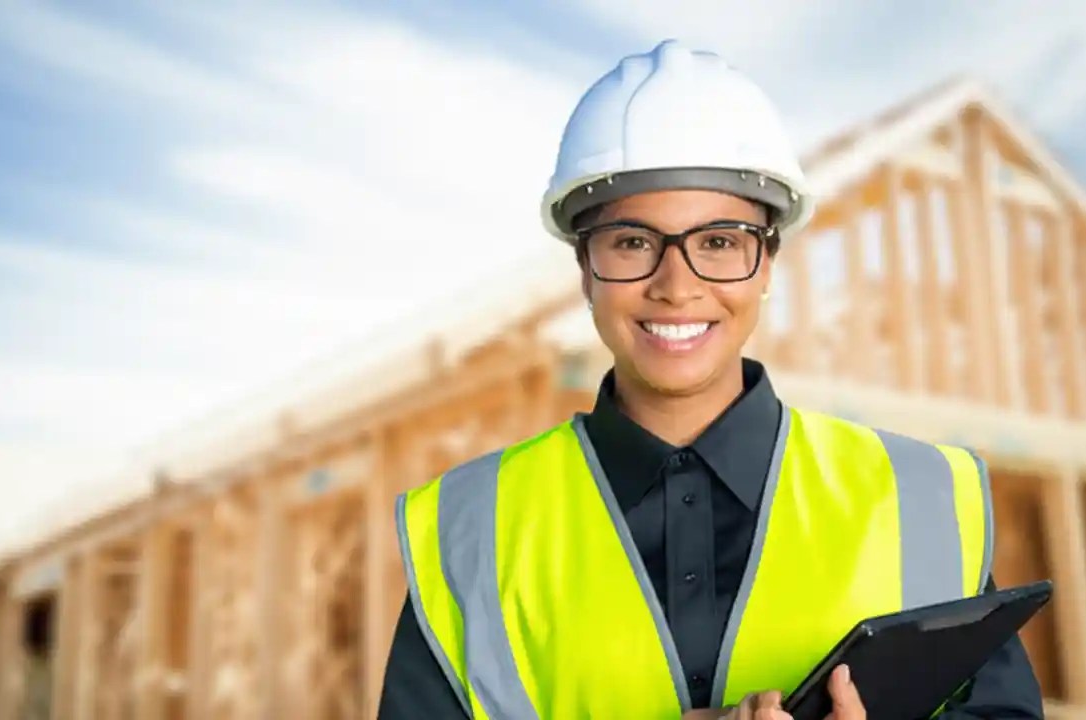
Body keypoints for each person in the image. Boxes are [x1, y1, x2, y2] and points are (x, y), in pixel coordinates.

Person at [377, 39, 1043, 720]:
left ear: (767, 264)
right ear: (584, 267)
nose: (676, 286)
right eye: (633, 242)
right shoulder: (470, 531)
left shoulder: (917, 501)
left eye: (719, 243)